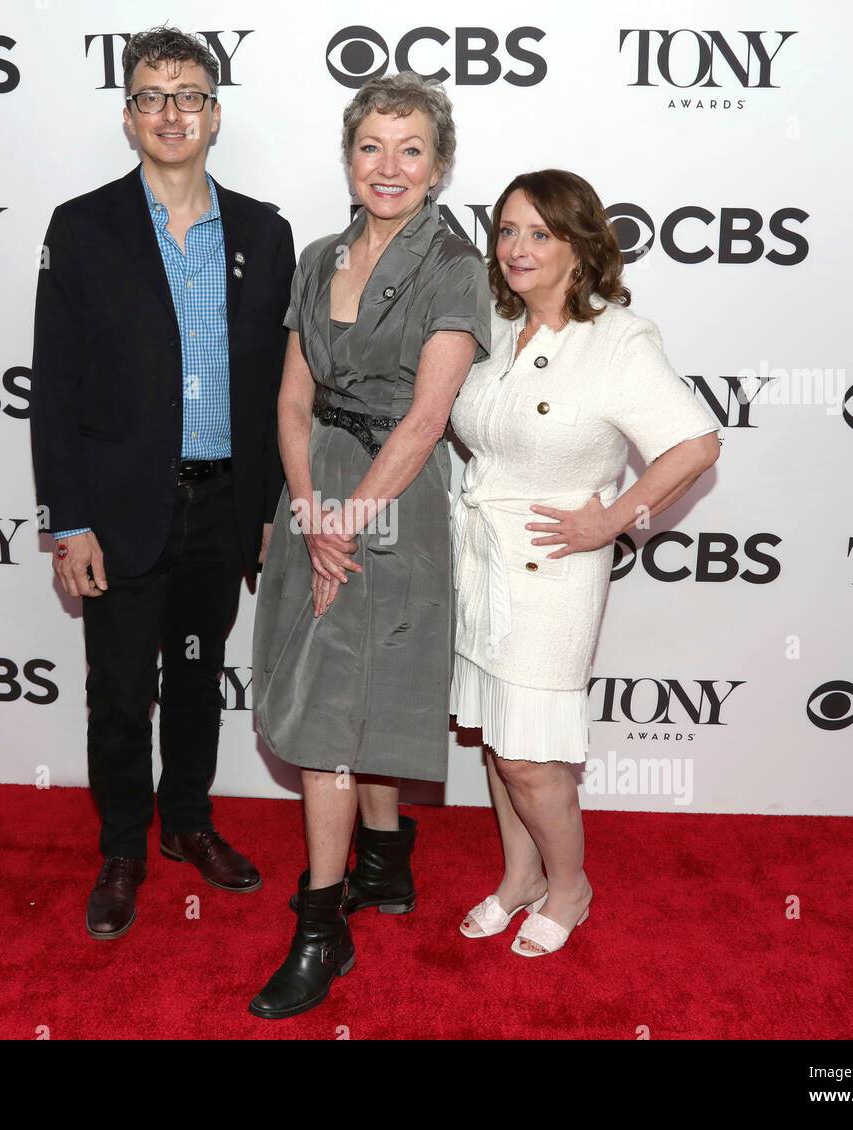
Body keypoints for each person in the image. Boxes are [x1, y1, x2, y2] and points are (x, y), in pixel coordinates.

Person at [29, 26, 294, 940]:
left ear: (215, 114)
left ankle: (188, 823)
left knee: (195, 675)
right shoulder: (82, 226)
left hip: (222, 504)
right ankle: (122, 850)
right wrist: (70, 522)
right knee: (116, 690)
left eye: (188, 95)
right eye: (151, 96)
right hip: (119, 509)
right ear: (129, 117)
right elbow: (54, 388)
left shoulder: (264, 231)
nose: (171, 112)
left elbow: (275, 390)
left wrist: (266, 511)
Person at [248, 72, 491, 1019]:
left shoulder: (453, 263)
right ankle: (384, 869)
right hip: (317, 489)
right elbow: (292, 398)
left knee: (333, 714)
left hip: (394, 496)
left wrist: (346, 525)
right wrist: (309, 510)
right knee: (336, 687)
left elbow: (429, 419)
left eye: (411, 149)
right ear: (348, 158)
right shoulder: (317, 257)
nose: (388, 168)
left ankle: (321, 926)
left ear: (439, 165)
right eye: (370, 148)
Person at [450, 169, 721, 957]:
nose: (517, 248)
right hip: (483, 559)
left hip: (552, 572)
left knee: (532, 755)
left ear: (580, 246)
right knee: (500, 741)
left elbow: (696, 443)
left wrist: (612, 519)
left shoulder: (615, 338)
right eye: (506, 230)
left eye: (540, 233)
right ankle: (519, 878)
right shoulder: (495, 328)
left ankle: (570, 887)